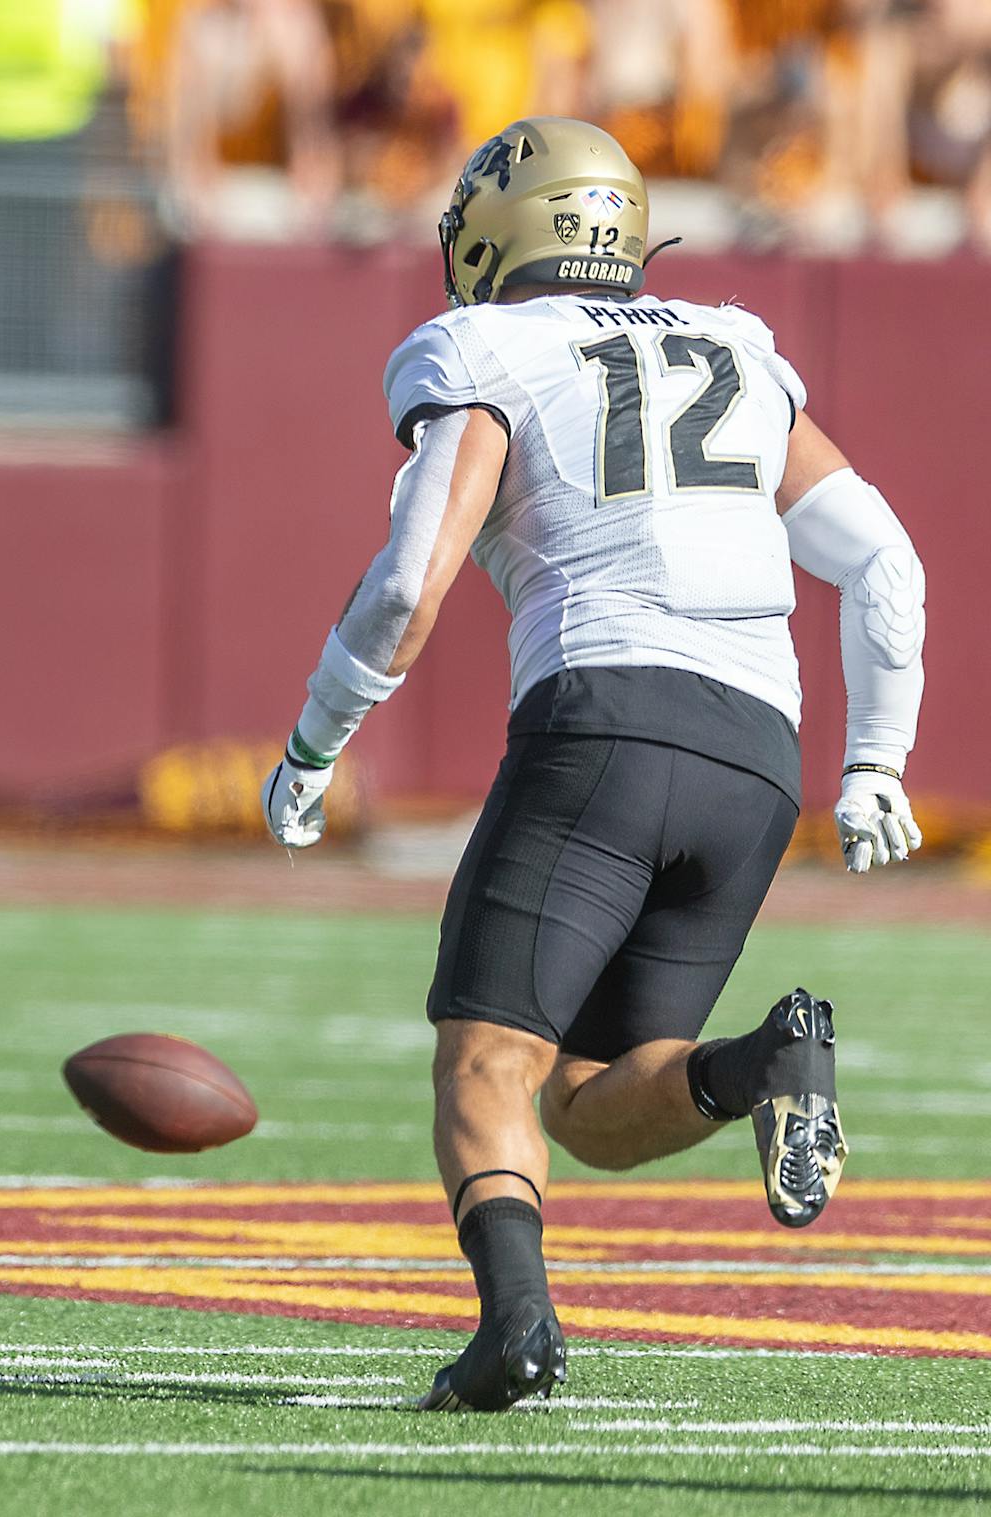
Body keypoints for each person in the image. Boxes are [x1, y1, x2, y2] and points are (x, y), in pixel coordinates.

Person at [257, 118, 926, 1410]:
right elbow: (883, 563)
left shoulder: (480, 343)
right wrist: (877, 764)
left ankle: (515, 1331)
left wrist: (314, 738)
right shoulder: (735, 340)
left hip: (606, 721)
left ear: (507, 228)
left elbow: (407, 582)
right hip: (757, 759)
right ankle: (763, 1063)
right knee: (583, 1099)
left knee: (483, 1061)